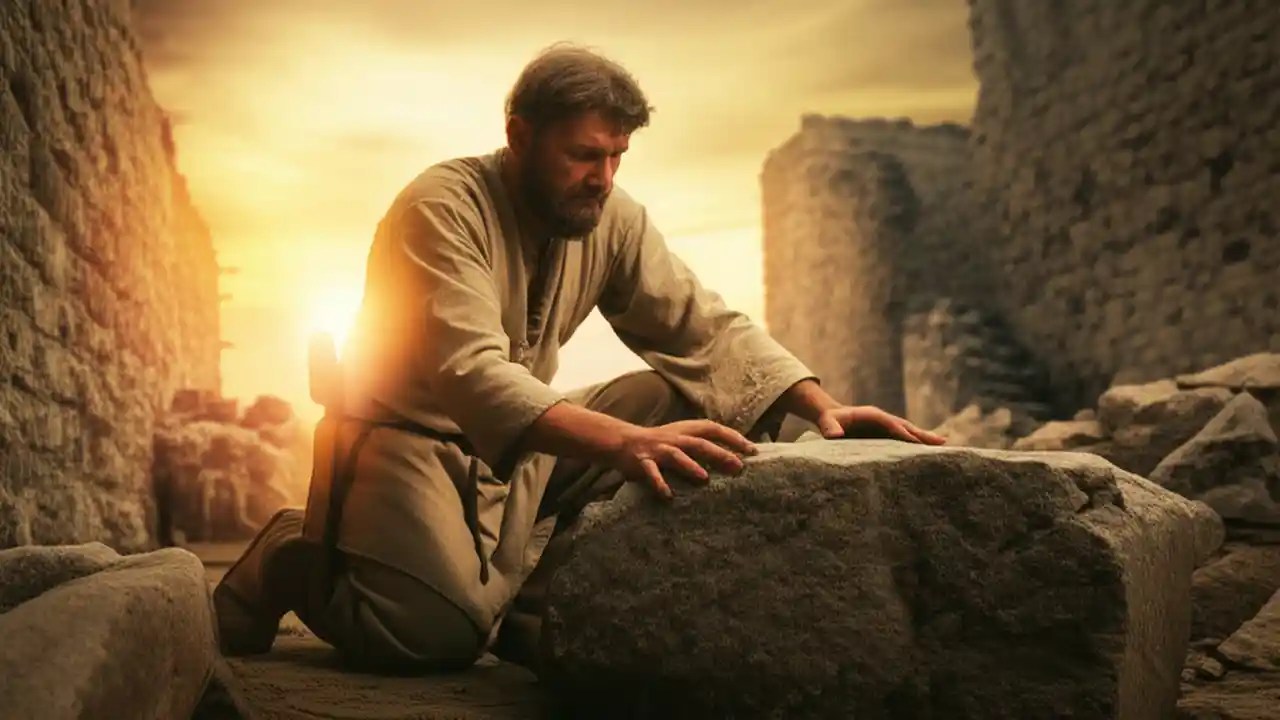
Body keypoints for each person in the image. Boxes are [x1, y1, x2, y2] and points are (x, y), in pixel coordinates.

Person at [212, 42, 945, 674]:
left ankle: (544, 614)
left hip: (522, 447)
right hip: (405, 440)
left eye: (617, 156)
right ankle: (295, 552)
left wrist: (819, 405)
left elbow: (701, 327)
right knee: (430, 638)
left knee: (704, 411)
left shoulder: (609, 217)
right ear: (519, 135)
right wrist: (626, 442)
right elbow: (472, 374)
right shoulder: (440, 208)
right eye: (584, 155)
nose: (603, 177)